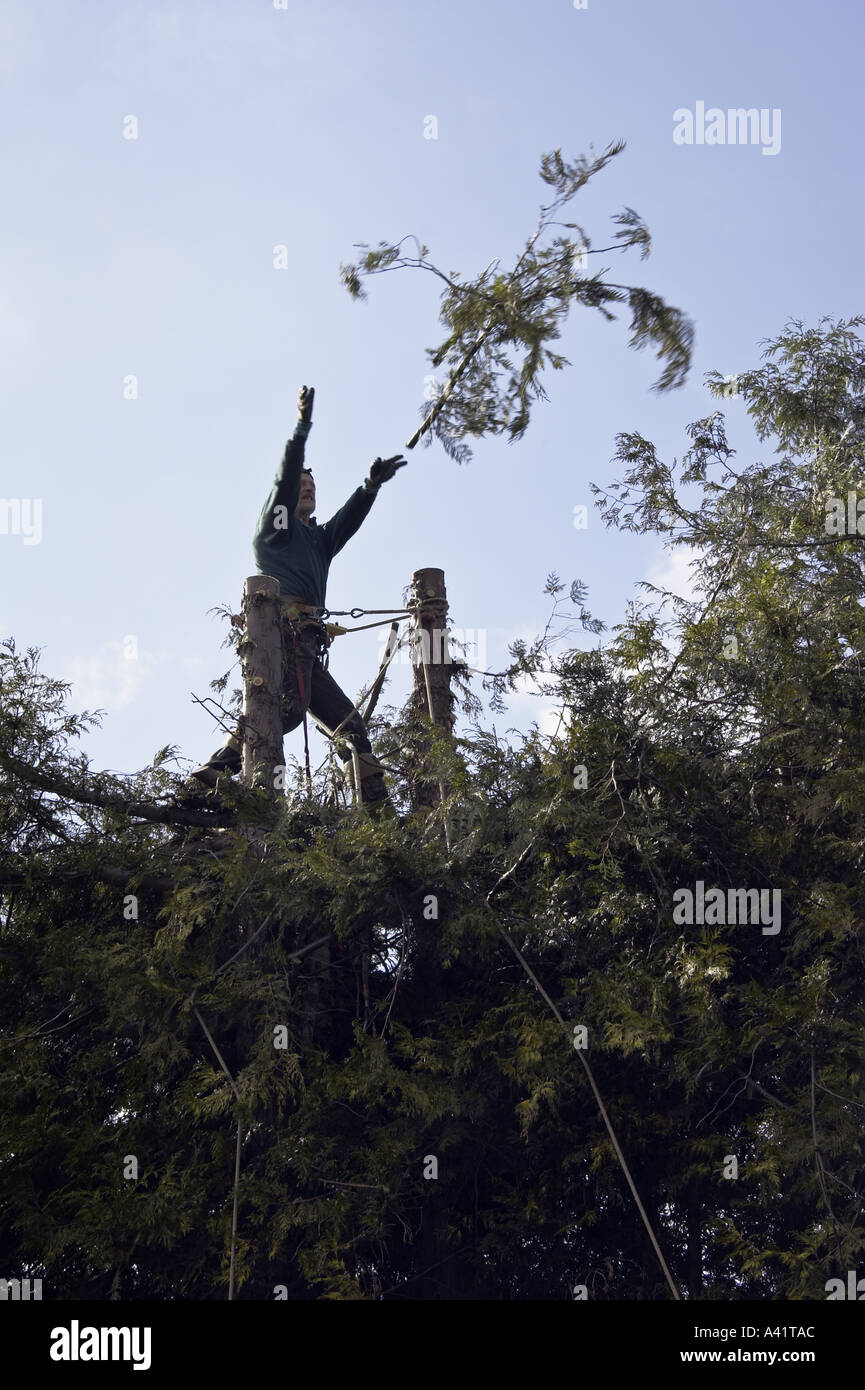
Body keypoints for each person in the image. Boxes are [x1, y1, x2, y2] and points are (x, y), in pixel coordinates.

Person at [189, 384, 406, 806]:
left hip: (306, 642)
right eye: (300, 486)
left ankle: (379, 816)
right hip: (282, 637)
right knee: (283, 713)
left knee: (351, 726)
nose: (306, 489)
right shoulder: (276, 532)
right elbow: (285, 478)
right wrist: (302, 427)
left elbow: (346, 522)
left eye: (312, 486)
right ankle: (211, 779)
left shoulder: (317, 540)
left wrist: (369, 487)